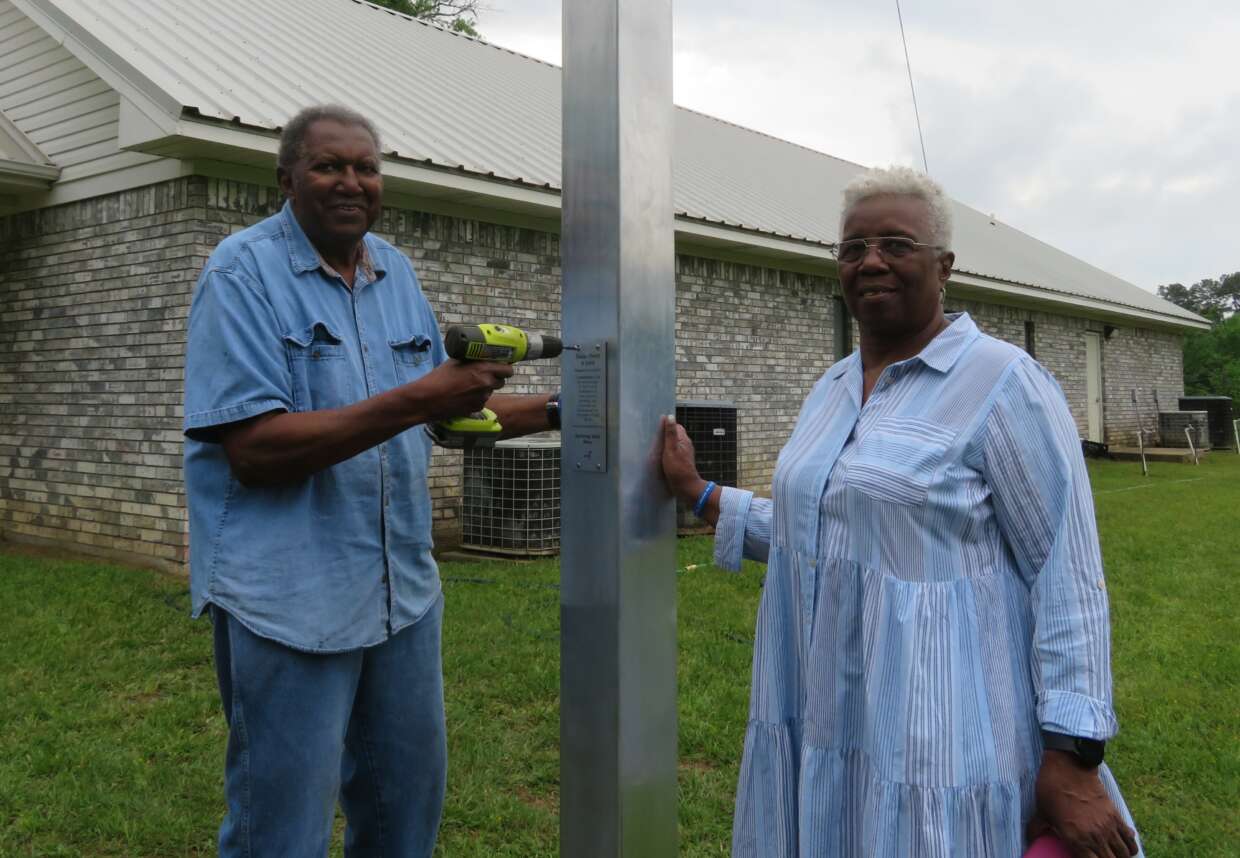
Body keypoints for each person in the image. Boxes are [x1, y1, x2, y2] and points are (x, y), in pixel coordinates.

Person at [660, 166, 1142, 858]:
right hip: (819, 711)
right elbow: (823, 532)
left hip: (936, 735)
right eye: (853, 248)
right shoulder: (831, 388)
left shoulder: (1002, 383)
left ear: (944, 266)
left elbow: (1066, 577)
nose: (872, 261)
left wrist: (1073, 755)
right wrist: (702, 493)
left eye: (896, 243)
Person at [182, 104, 558, 857]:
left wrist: (561, 408)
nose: (351, 182)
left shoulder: (394, 273)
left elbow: (444, 414)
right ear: (287, 177)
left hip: (400, 595)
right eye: (328, 166)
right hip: (287, 599)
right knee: (279, 831)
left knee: (401, 814)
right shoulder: (240, 273)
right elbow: (254, 449)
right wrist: (423, 397)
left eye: (366, 168)